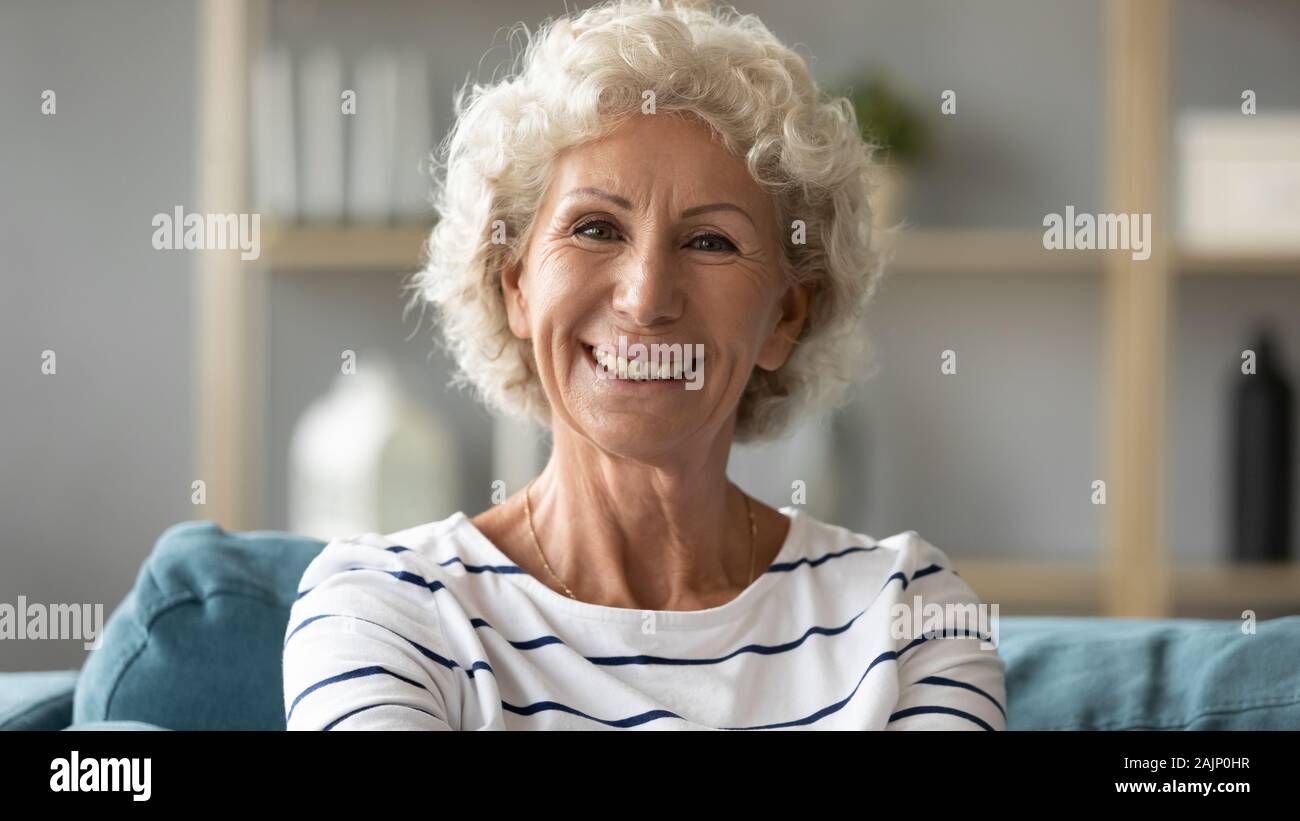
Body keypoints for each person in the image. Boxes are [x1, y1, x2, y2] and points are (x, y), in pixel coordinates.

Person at [283, 0, 1005, 730]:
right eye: (596, 228)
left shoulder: (912, 614)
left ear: (784, 318)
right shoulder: (383, 608)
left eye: (712, 241)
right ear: (517, 287)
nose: (646, 296)